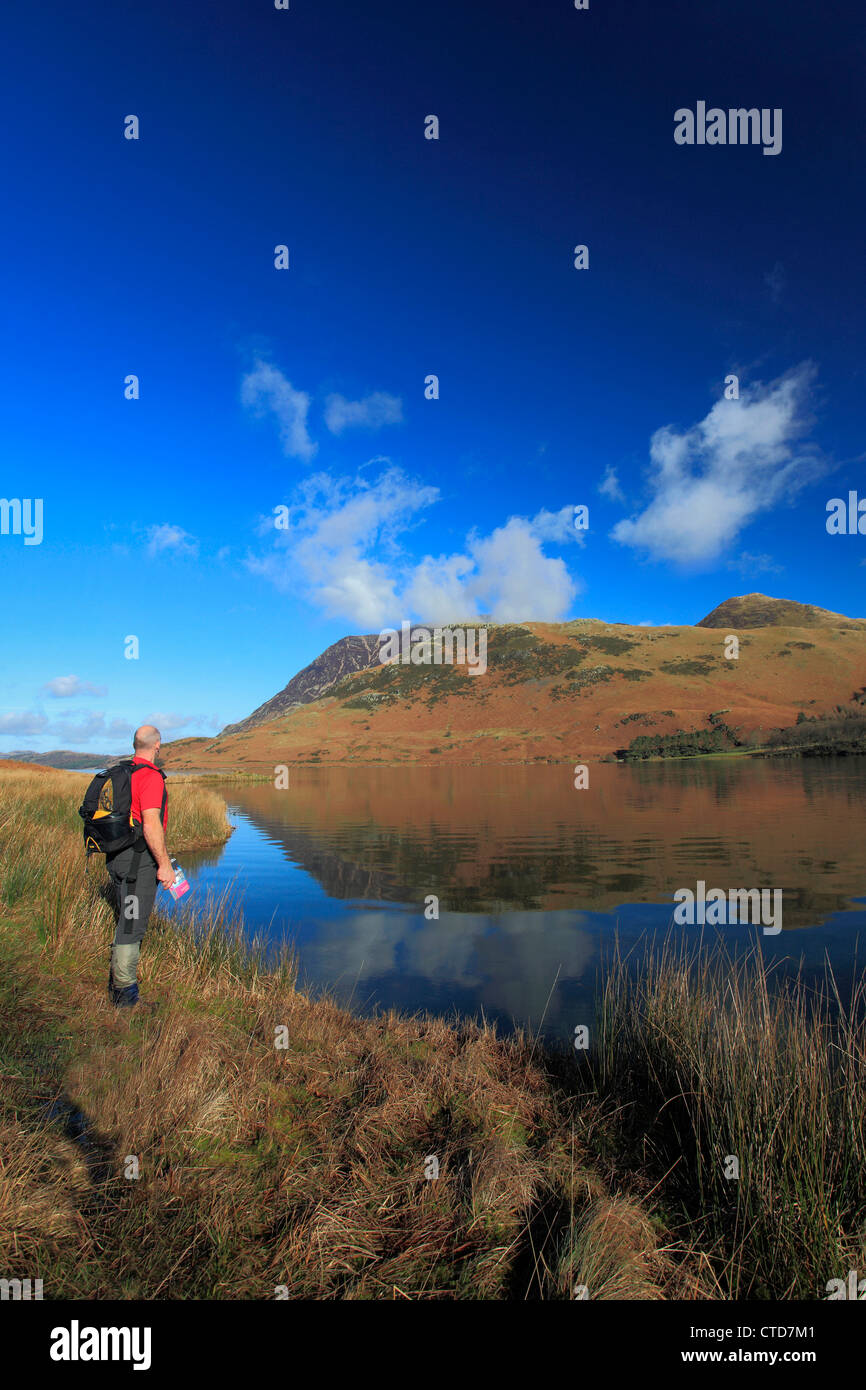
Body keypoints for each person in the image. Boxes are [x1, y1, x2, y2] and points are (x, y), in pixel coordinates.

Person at [107, 725, 173, 1008]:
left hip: (117, 857)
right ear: (157, 745)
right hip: (138, 863)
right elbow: (150, 823)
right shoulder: (151, 777)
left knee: (126, 917)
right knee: (132, 924)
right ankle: (124, 997)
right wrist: (165, 864)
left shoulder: (122, 773)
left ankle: (124, 986)